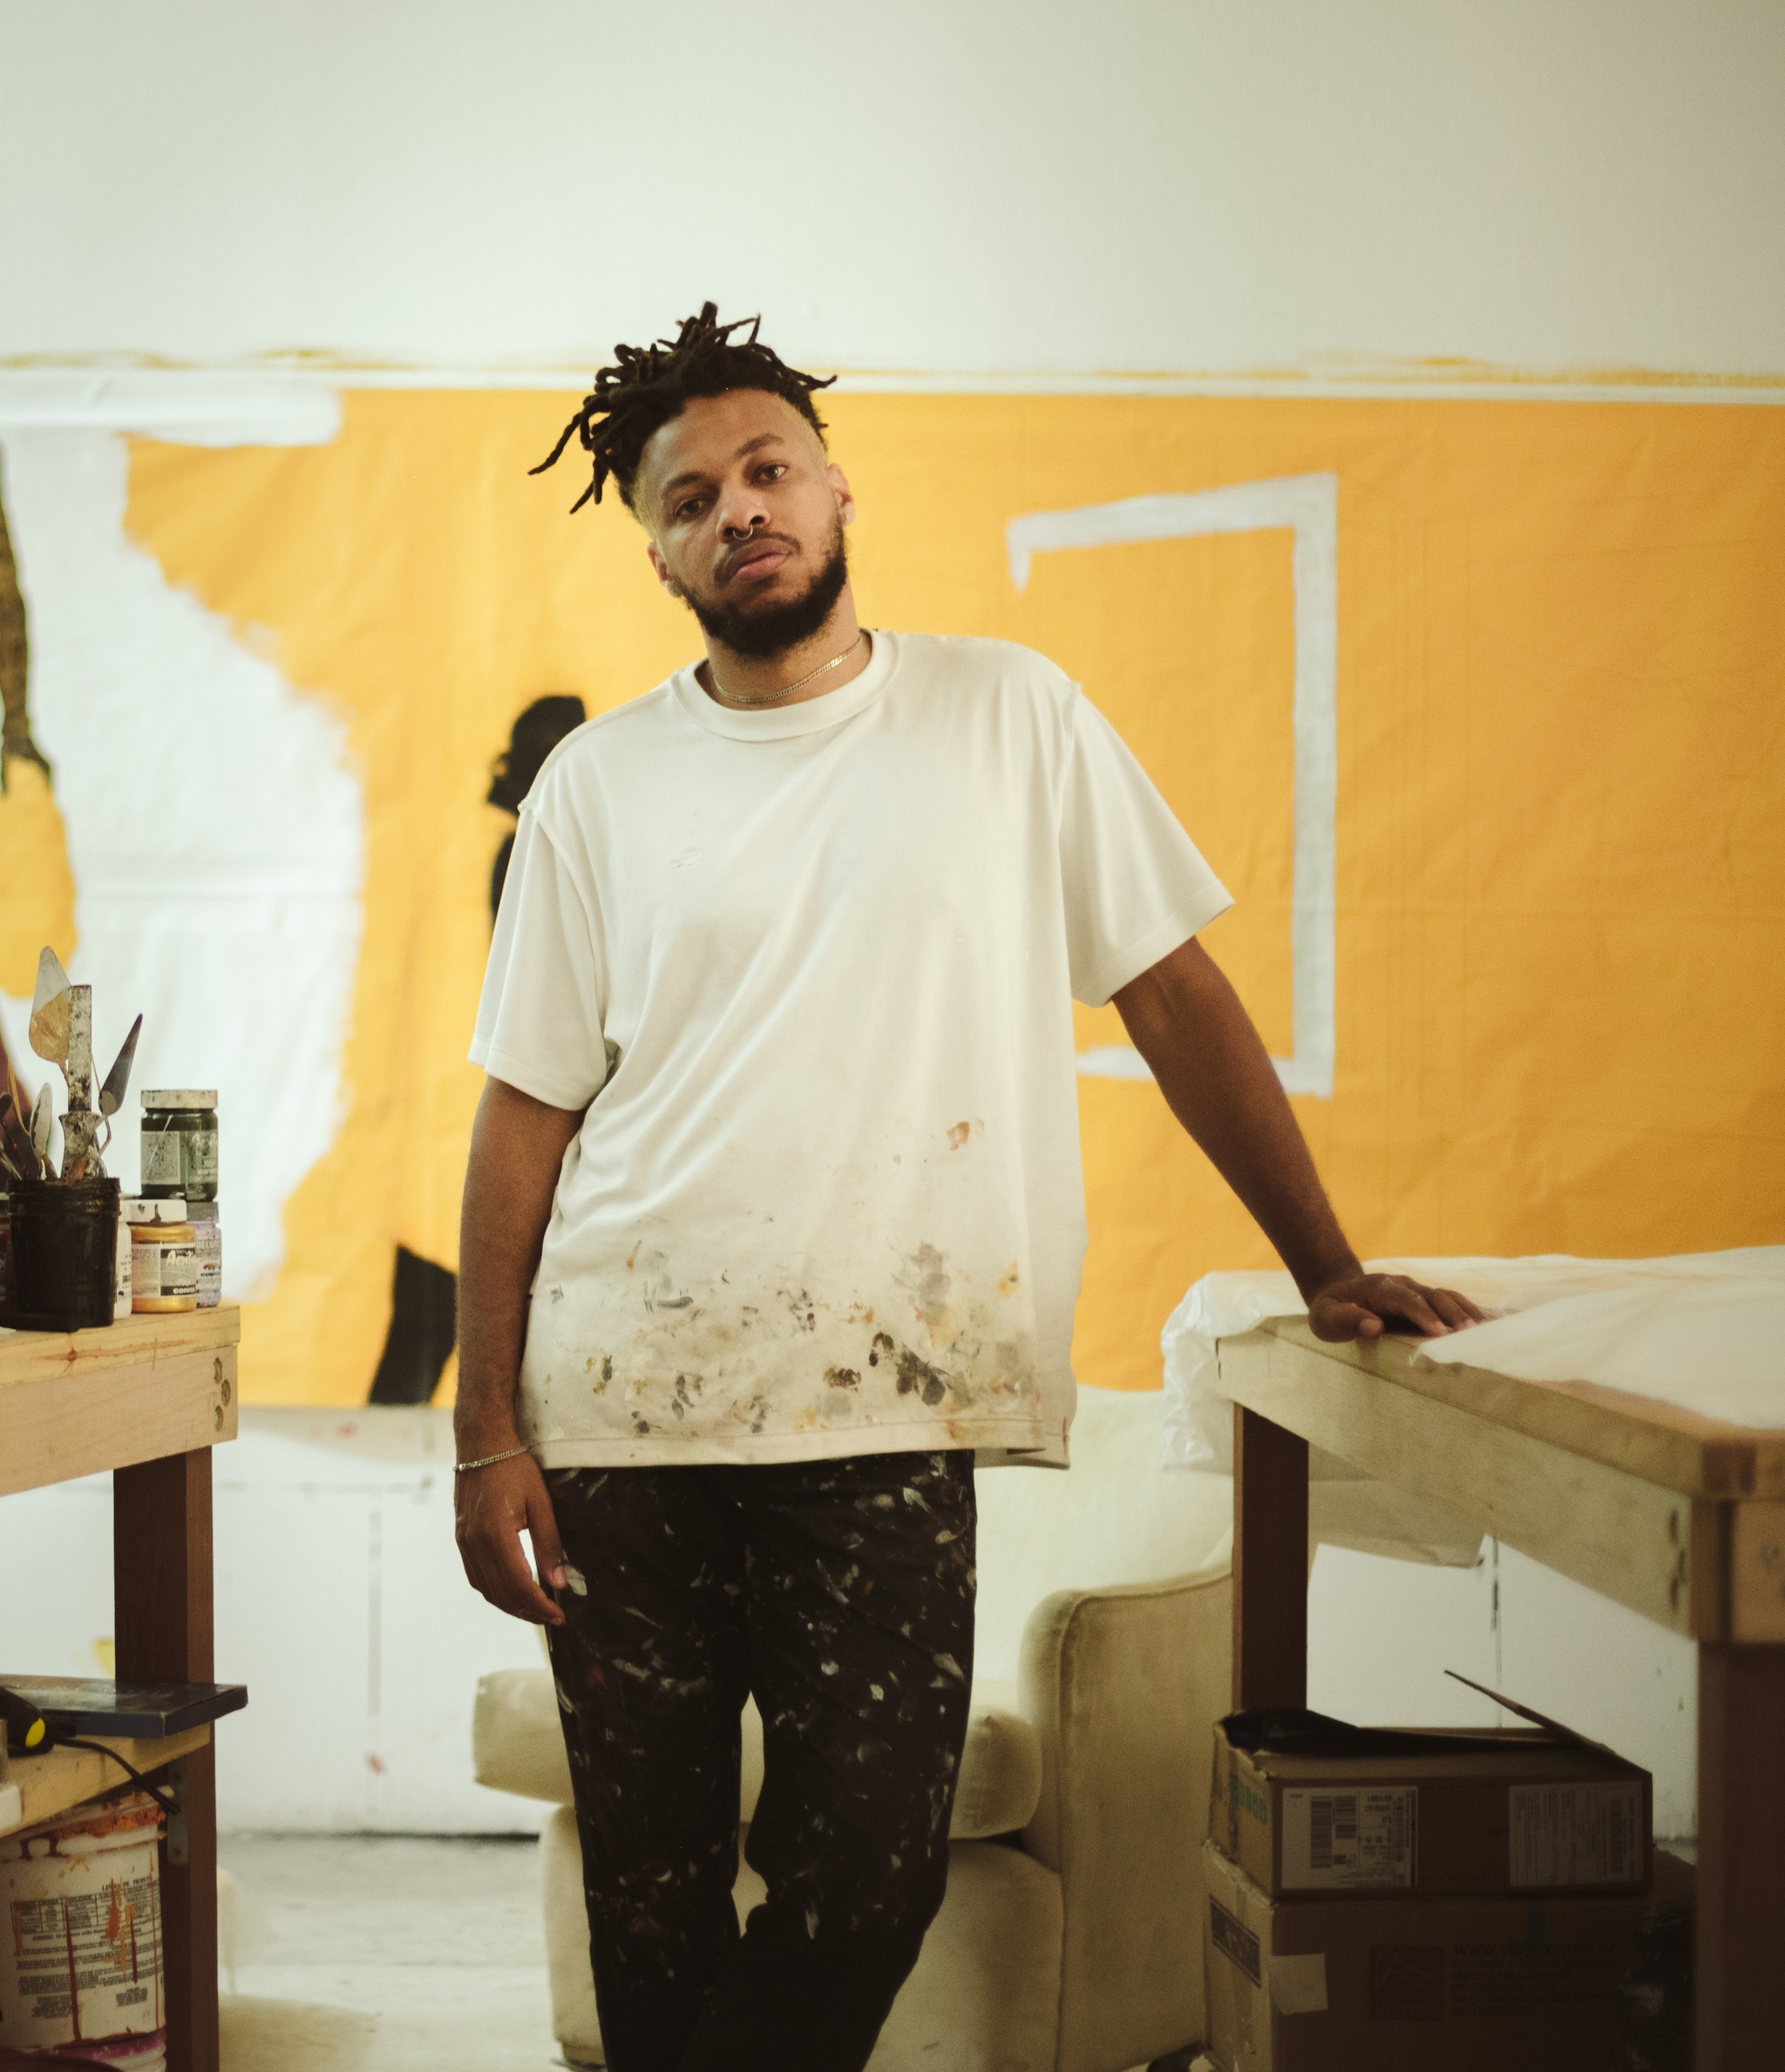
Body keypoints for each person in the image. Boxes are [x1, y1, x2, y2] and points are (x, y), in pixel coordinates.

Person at [453, 303, 1480, 2072]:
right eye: (692, 496)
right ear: (655, 550)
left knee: (868, 1875)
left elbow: (1175, 993)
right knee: (654, 1895)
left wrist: (1325, 1259)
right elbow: (522, 1125)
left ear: (835, 486)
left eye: (767, 469)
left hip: (883, 1411)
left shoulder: (1008, 715)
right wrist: (485, 1430)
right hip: (623, 1417)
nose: (740, 509)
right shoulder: (598, 789)